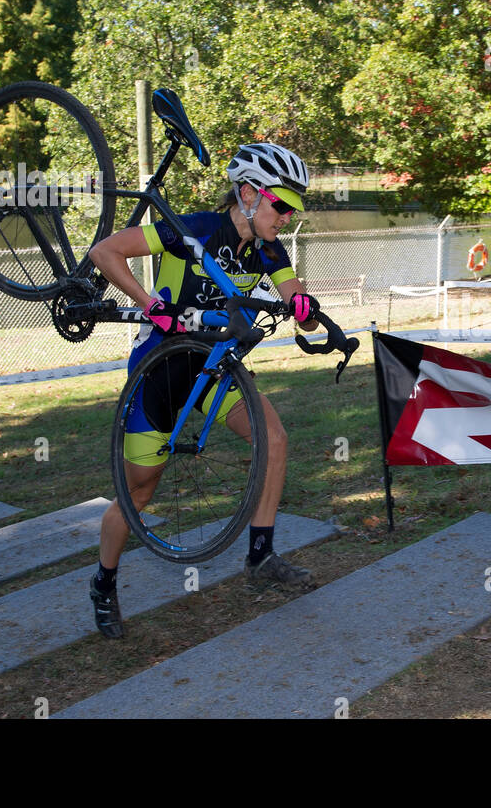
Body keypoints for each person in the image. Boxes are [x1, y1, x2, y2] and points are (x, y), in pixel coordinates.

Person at [85, 143, 320, 639]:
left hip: (215, 372)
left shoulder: (267, 249)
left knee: (273, 439)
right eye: (282, 206)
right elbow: (104, 252)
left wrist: (305, 306)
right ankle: (104, 585)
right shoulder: (193, 229)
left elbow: (291, 289)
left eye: (293, 209)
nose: (287, 218)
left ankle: (260, 557)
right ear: (250, 194)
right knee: (139, 493)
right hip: (161, 372)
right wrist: (151, 304)